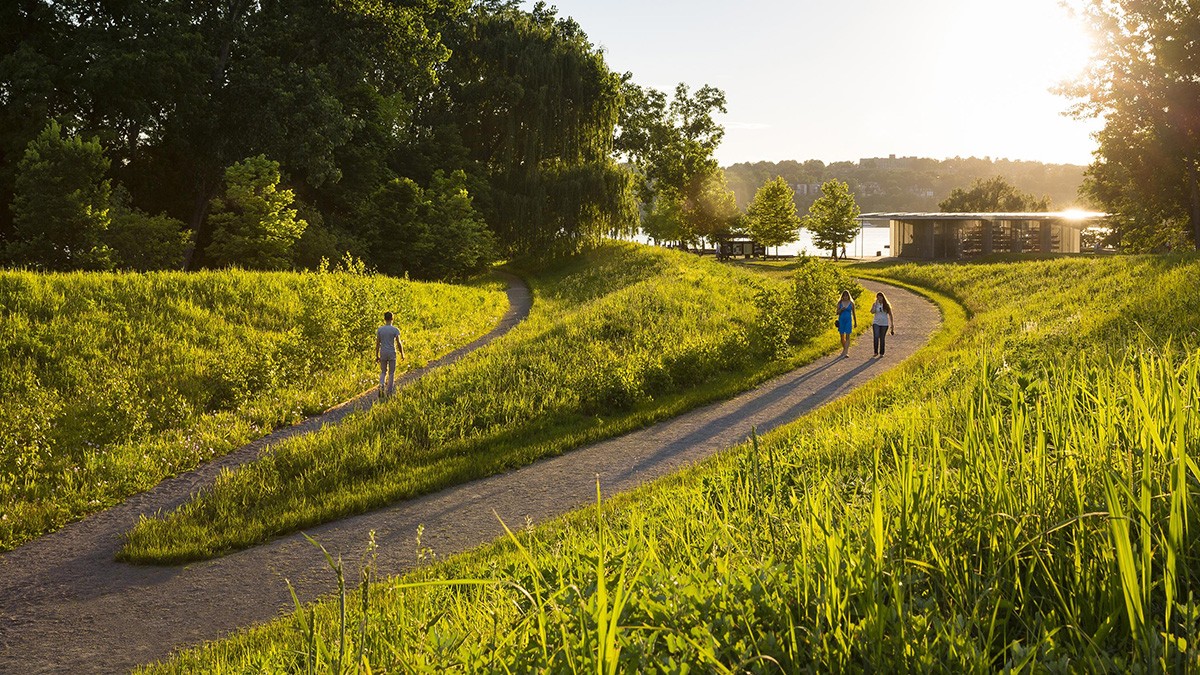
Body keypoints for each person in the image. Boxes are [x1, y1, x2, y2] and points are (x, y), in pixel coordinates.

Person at [375, 311, 405, 398]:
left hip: (383, 352)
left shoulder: (380, 330)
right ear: (392, 318)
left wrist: (377, 355)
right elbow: (399, 343)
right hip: (392, 352)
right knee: (391, 372)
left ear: (384, 319)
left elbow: (377, 343)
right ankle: (389, 391)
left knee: (383, 371)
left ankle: (381, 385)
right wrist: (402, 353)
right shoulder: (395, 330)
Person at [870, 291, 895, 357]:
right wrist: (874, 306)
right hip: (876, 322)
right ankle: (875, 352)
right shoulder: (875, 304)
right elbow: (872, 312)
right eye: (878, 297)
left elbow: (890, 314)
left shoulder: (886, 305)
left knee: (882, 338)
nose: (879, 299)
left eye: (880, 297)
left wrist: (892, 324)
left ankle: (882, 353)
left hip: (884, 323)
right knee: (876, 336)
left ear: (883, 297)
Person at [836, 290, 855, 359]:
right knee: (842, 337)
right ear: (842, 296)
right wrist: (841, 310)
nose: (845, 297)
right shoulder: (840, 303)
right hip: (841, 321)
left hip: (848, 320)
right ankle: (844, 349)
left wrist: (855, 322)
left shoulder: (851, 303)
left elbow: (854, 313)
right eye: (844, 296)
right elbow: (837, 312)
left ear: (848, 296)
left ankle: (846, 351)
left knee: (847, 336)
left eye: (846, 296)